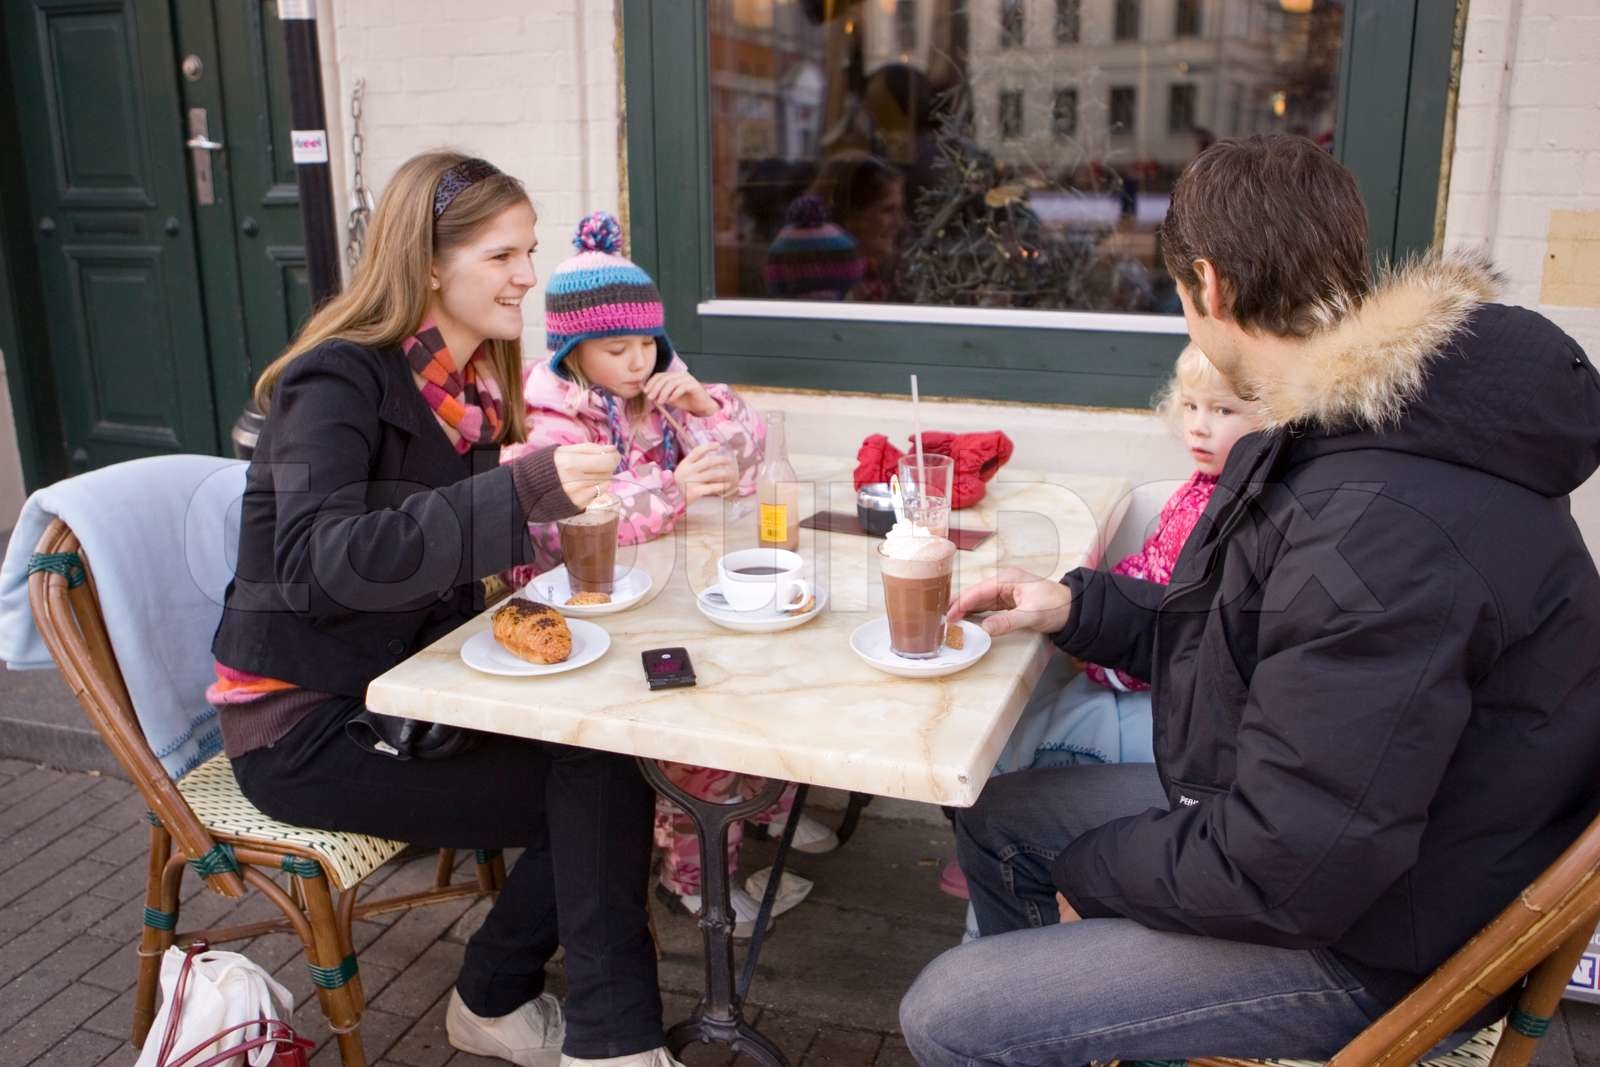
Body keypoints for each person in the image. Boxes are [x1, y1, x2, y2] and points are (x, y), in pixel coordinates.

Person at [900, 133, 1600, 1065]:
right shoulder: (1367, 426)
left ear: (1209, 285)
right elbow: (1250, 628)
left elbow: (1292, 866)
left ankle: (1055, 1014)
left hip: (1378, 939)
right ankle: (1078, 1020)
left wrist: (1098, 875)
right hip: (1357, 843)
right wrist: (1077, 608)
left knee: (948, 1010)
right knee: (999, 815)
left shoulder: (1380, 523)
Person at [210, 152, 678, 1067]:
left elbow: (439, 558)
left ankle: (502, 1002)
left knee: (612, 758)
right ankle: (596, 1039)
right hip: (303, 723)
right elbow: (319, 564)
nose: (527, 277)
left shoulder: (468, 392)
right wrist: (526, 490)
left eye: (529, 251)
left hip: (406, 688)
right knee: (592, 787)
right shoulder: (333, 384)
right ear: (428, 262)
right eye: (503, 255)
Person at [502, 212, 839, 939]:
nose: (636, 360)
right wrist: (678, 488)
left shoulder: (655, 402)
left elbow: (752, 464)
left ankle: (766, 805)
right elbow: (572, 522)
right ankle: (696, 878)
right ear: (569, 352)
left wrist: (704, 404)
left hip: (675, 587)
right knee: (699, 736)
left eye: (647, 343)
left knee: (767, 670)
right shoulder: (555, 424)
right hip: (604, 621)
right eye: (615, 347)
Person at [939, 345, 1265, 917]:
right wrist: (1087, 600)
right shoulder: (1202, 488)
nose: (1199, 426)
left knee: (1027, 740)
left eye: (1224, 411)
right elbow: (1152, 572)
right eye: (1190, 406)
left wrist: (1095, 658)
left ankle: (1011, 872)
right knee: (1017, 721)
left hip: (1169, 704)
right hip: (1145, 678)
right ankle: (985, 853)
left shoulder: (1244, 510)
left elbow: (1190, 641)